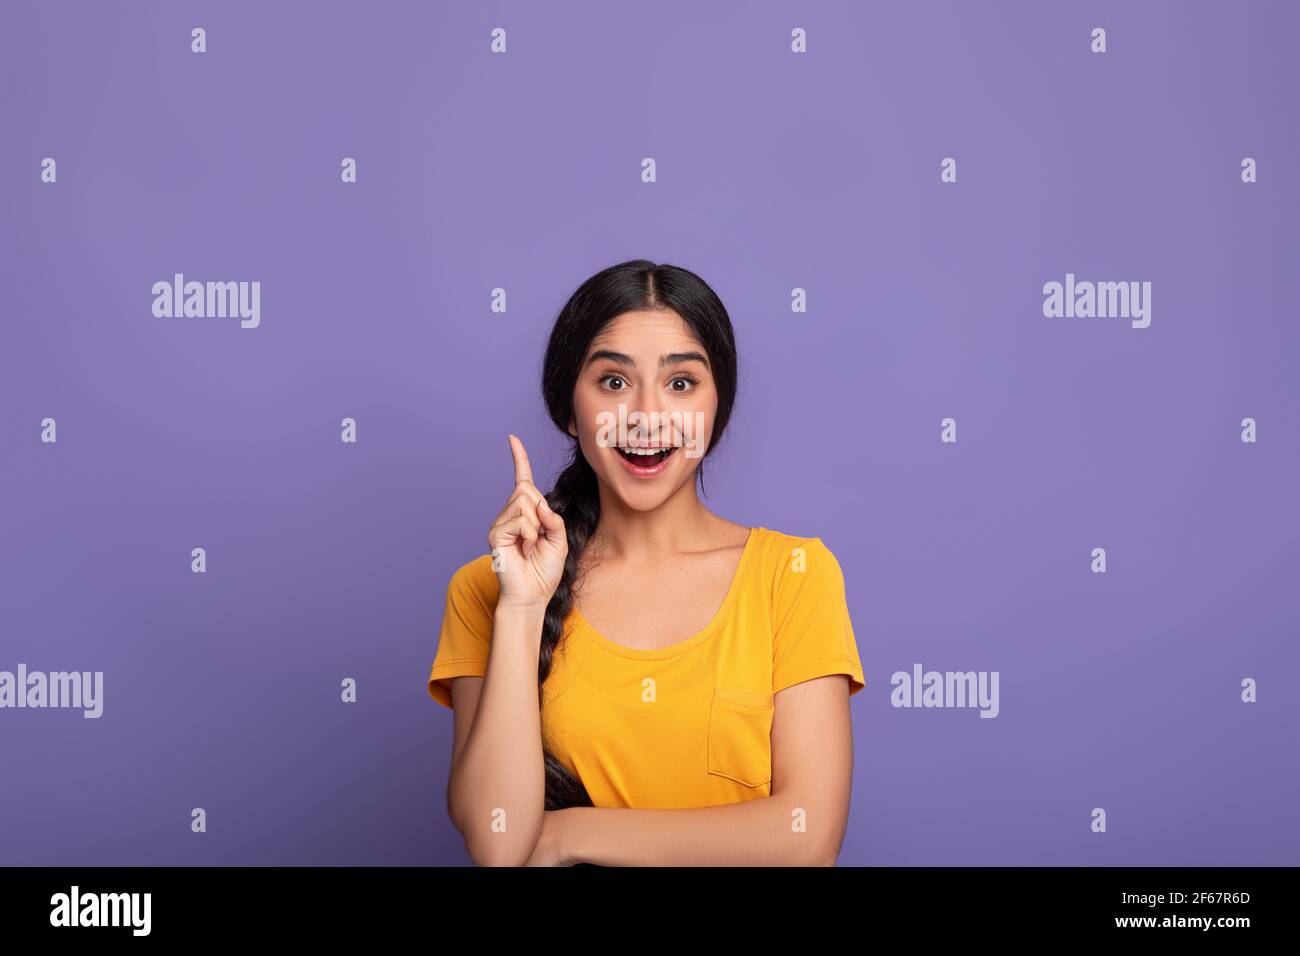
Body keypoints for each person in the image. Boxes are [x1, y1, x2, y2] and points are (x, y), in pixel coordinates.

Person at [426, 259, 866, 866]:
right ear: (569, 408)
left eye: (681, 383)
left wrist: (568, 833)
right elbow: (499, 845)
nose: (646, 415)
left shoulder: (794, 575)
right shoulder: (489, 588)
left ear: (717, 408)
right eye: (613, 381)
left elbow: (807, 838)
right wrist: (522, 610)